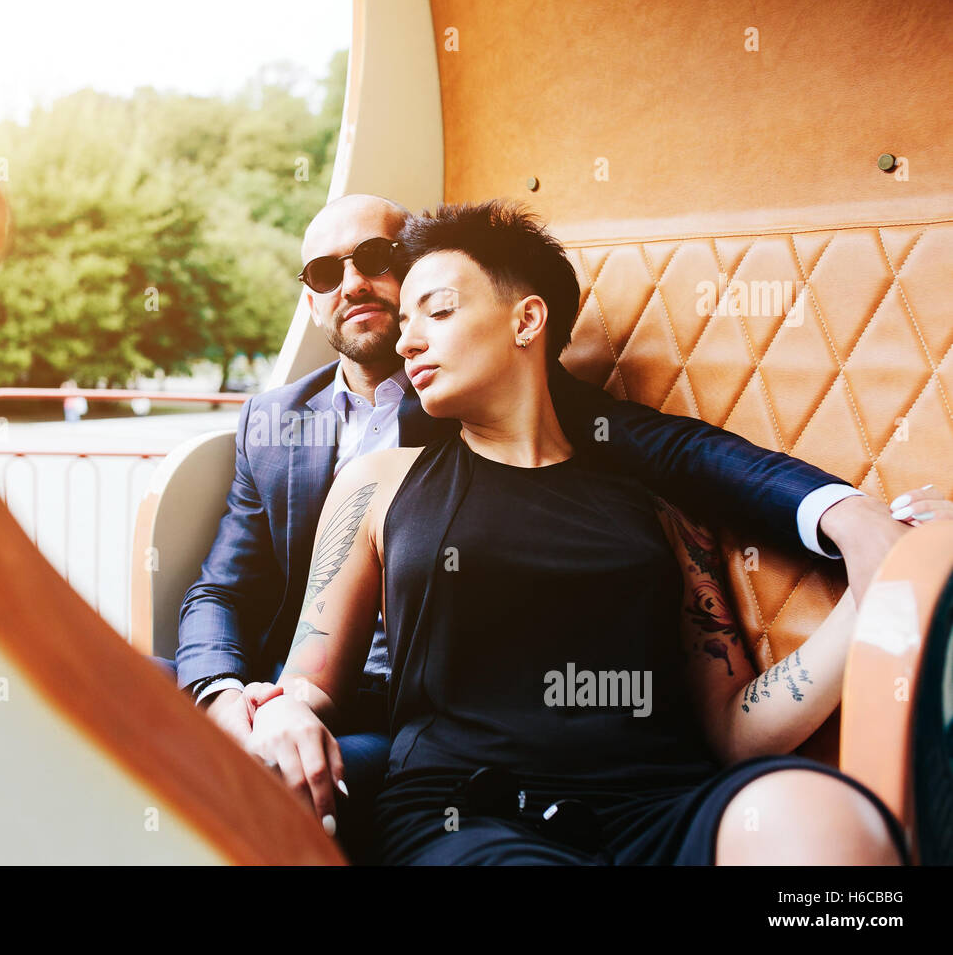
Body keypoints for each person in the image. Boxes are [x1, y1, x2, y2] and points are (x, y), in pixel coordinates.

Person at [176, 194, 913, 863]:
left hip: (662, 802)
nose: (407, 343)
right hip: (467, 810)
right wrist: (272, 715)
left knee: (832, 828)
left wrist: (876, 586)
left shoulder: (653, 501)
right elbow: (305, 679)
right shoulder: (376, 482)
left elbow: (735, 726)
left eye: (436, 311)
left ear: (527, 320)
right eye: (406, 325)